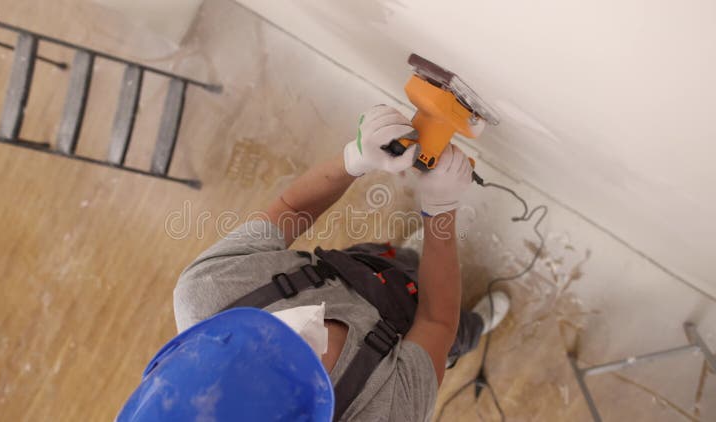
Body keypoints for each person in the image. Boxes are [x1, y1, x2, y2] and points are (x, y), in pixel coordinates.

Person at [118, 105, 511, 421]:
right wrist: (440, 209)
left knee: (397, 257)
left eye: (262, 337)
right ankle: (479, 320)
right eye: (294, 355)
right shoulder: (378, 413)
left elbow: (291, 209)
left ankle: (411, 256)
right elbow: (436, 322)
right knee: (459, 332)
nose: (306, 325)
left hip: (360, 267)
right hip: (418, 326)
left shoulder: (208, 296)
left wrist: (353, 158)